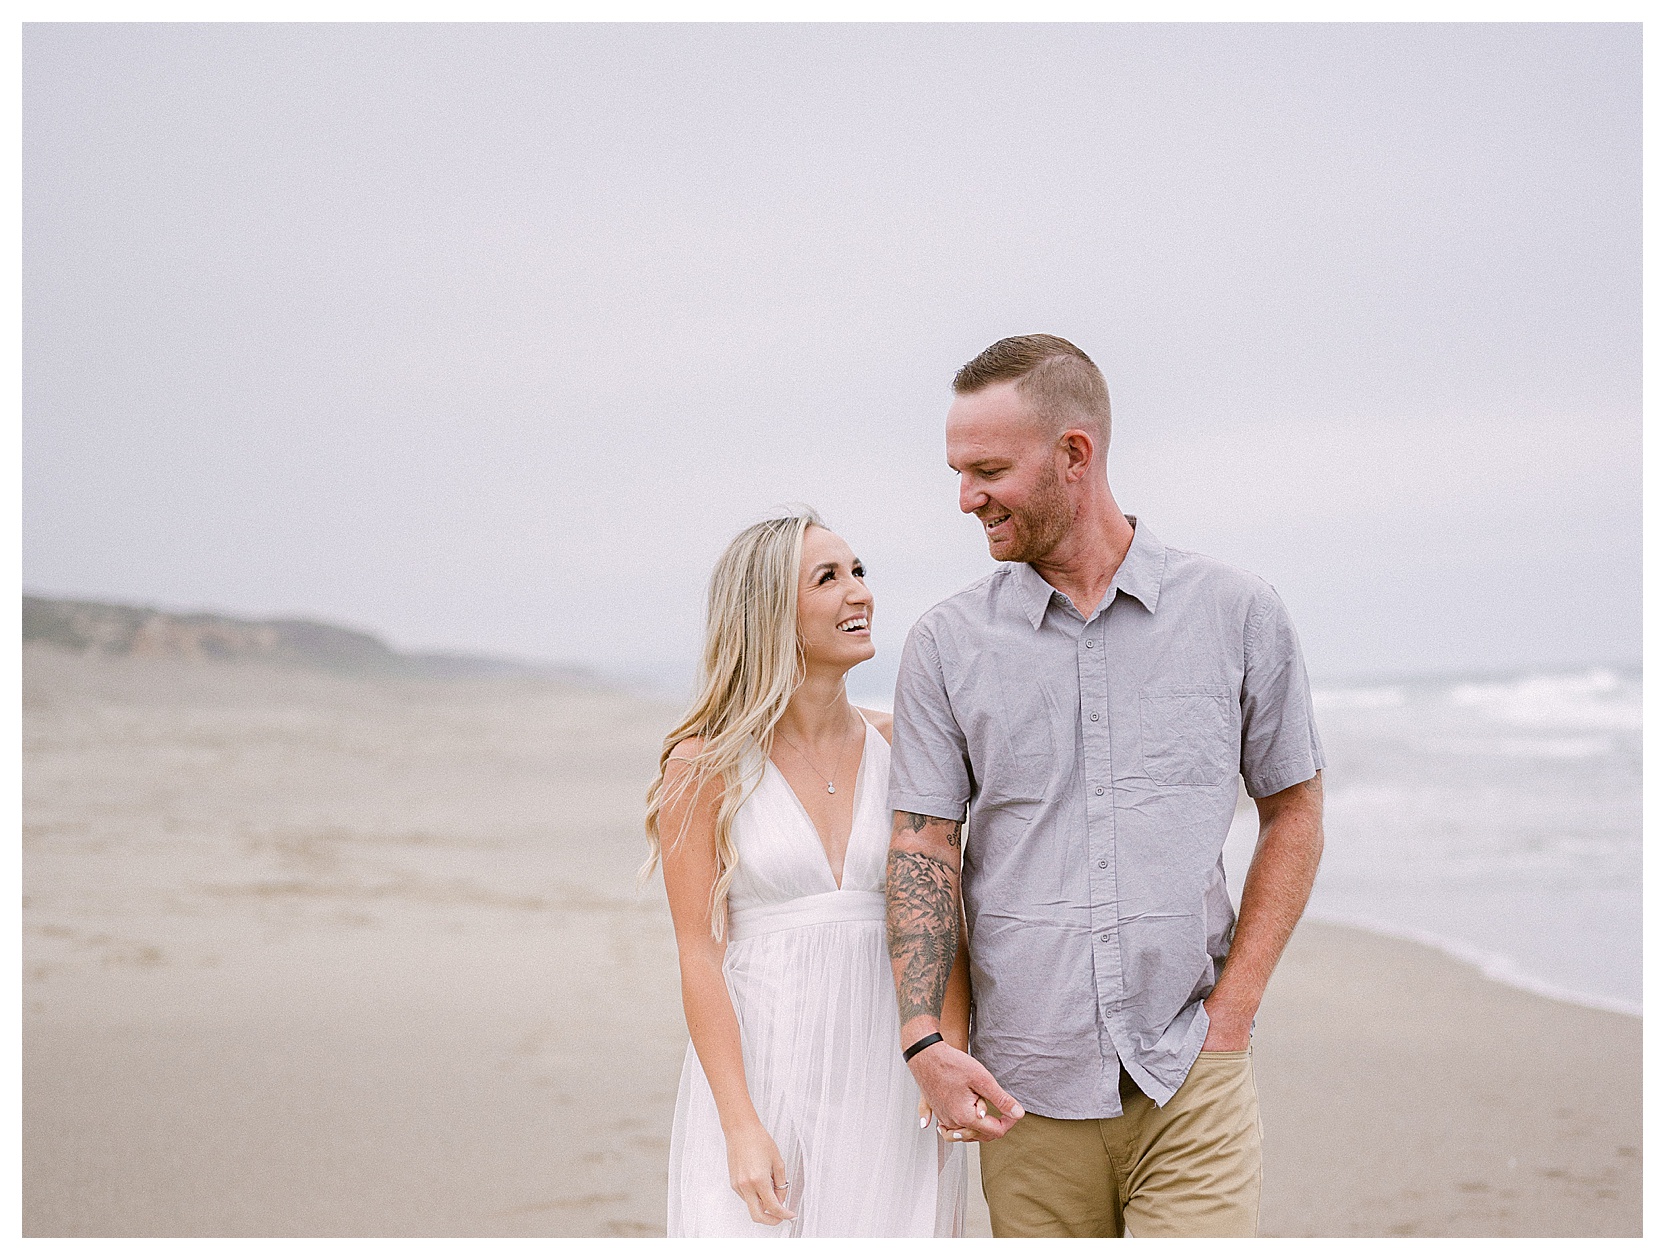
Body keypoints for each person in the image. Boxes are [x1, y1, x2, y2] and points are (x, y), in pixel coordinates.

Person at [885, 334, 1327, 1238]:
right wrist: (927, 1039)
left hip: (1188, 1071)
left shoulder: (1237, 612)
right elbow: (924, 845)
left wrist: (1233, 1011)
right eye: (958, 471)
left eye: (988, 470)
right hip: (1023, 1094)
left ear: (1075, 455)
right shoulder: (944, 644)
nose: (966, 497)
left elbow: (1293, 808)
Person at [646, 509, 968, 1237]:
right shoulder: (703, 766)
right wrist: (738, 1123)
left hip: (889, 1074)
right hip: (764, 1064)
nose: (859, 593)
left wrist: (950, 1042)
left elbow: (943, 909)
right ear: (768, 611)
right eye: (829, 577)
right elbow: (699, 955)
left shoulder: (906, 747)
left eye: (858, 572)